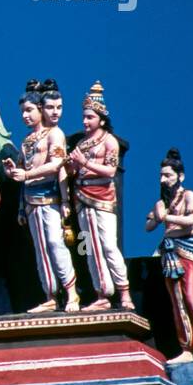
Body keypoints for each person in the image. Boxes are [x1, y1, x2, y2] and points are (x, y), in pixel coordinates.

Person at [4, 80, 80, 313]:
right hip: (30, 202)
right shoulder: (26, 141)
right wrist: (12, 173)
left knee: (56, 244)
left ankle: (72, 294)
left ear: (40, 109)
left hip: (49, 199)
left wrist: (65, 200)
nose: (25, 116)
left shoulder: (54, 134)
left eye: (29, 110)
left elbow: (57, 165)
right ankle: (50, 295)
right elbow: (20, 175)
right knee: (41, 250)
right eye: (22, 112)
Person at [145, 150, 193, 364]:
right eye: (161, 176)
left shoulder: (189, 196)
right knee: (178, 301)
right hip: (170, 252)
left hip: (188, 250)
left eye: (168, 175)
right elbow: (148, 227)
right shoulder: (162, 202)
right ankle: (187, 347)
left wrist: (166, 216)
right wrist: (157, 218)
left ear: (180, 176)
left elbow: (192, 220)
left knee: (192, 297)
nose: (163, 180)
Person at [67, 82, 133, 311]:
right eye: (84, 117)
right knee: (89, 247)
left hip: (103, 199)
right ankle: (102, 293)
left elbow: (111, 171)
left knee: (108, 245)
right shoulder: (81, 143)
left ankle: (124, 293)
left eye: (90, 118)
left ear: (101, 119)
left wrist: (84, 162)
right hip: (82, 199)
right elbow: (74, 172)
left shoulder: (109, 141)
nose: (85, 122)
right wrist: (73, 166)